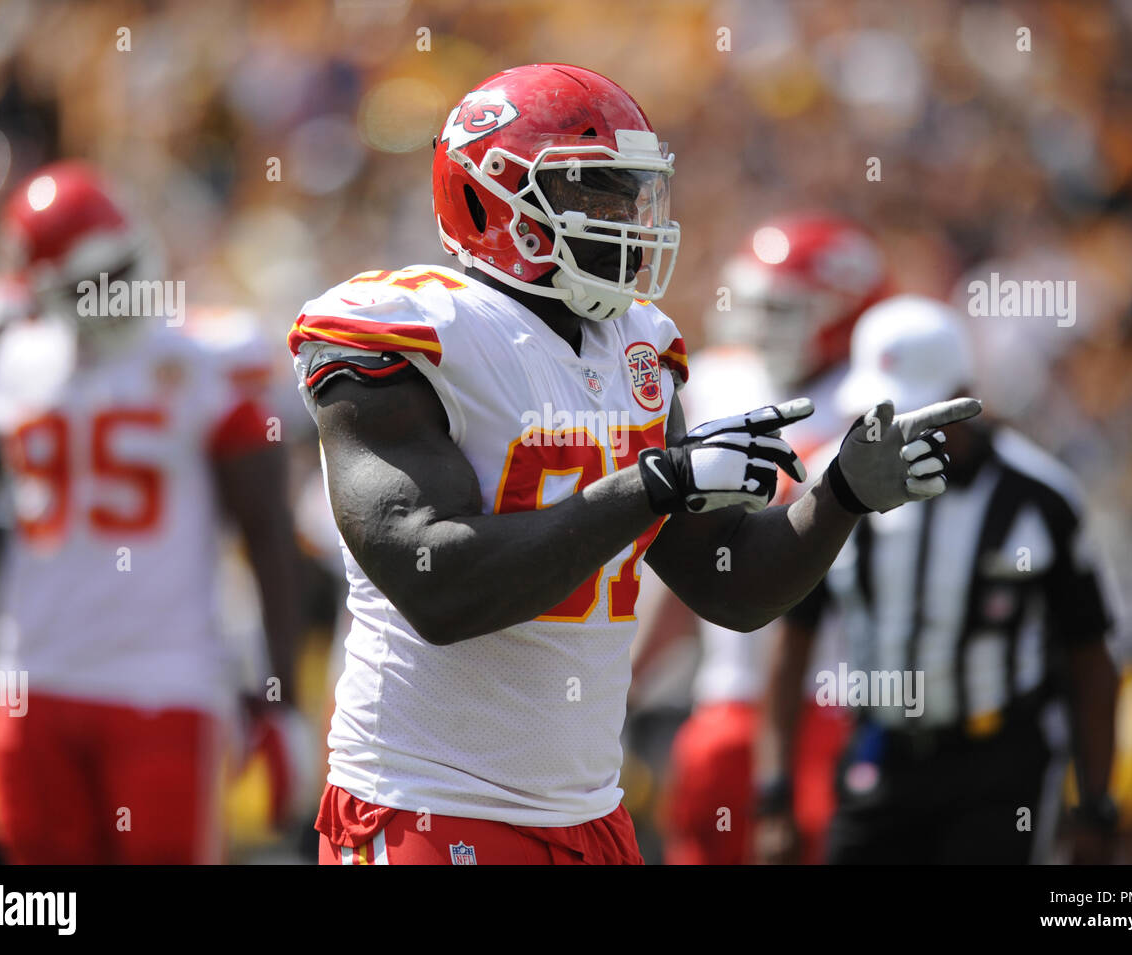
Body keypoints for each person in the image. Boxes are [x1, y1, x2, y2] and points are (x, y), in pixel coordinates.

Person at [290, 63, 980, 866]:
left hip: (590, 810)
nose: (624, 215)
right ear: (490, 196)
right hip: (429, 802)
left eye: (632, 191)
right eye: (595, 191)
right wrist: (651, 483)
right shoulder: (411, 333)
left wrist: (839, 496)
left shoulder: (638, 347)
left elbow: (731, 582)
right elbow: (435, 585)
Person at [0, 160, 302, 863]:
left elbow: (267, 529)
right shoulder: (15, 358)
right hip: (33, 677)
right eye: (85, 284)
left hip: (165, 681)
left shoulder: (205, 354)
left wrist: (280, 691)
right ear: (40, 289)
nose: (113, 294)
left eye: (121, 269)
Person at [759, 296, 1120, 864]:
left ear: (961, 399)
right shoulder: (832, 489)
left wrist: (1095, 804)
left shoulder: (1040, 498)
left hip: (998, 765)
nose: (900, 432)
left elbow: (1090, 657)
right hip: (879, 751)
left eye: (917, 412)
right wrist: (774, 792)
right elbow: (791, 639)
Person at [631, 214, 890, 864]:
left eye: (785, 309)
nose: (762, 326)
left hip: (842, 698)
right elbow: (691, 556)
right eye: (760, 307)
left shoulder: (874, 404)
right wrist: (630, 679)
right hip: (728, 692)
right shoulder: (717, 384)